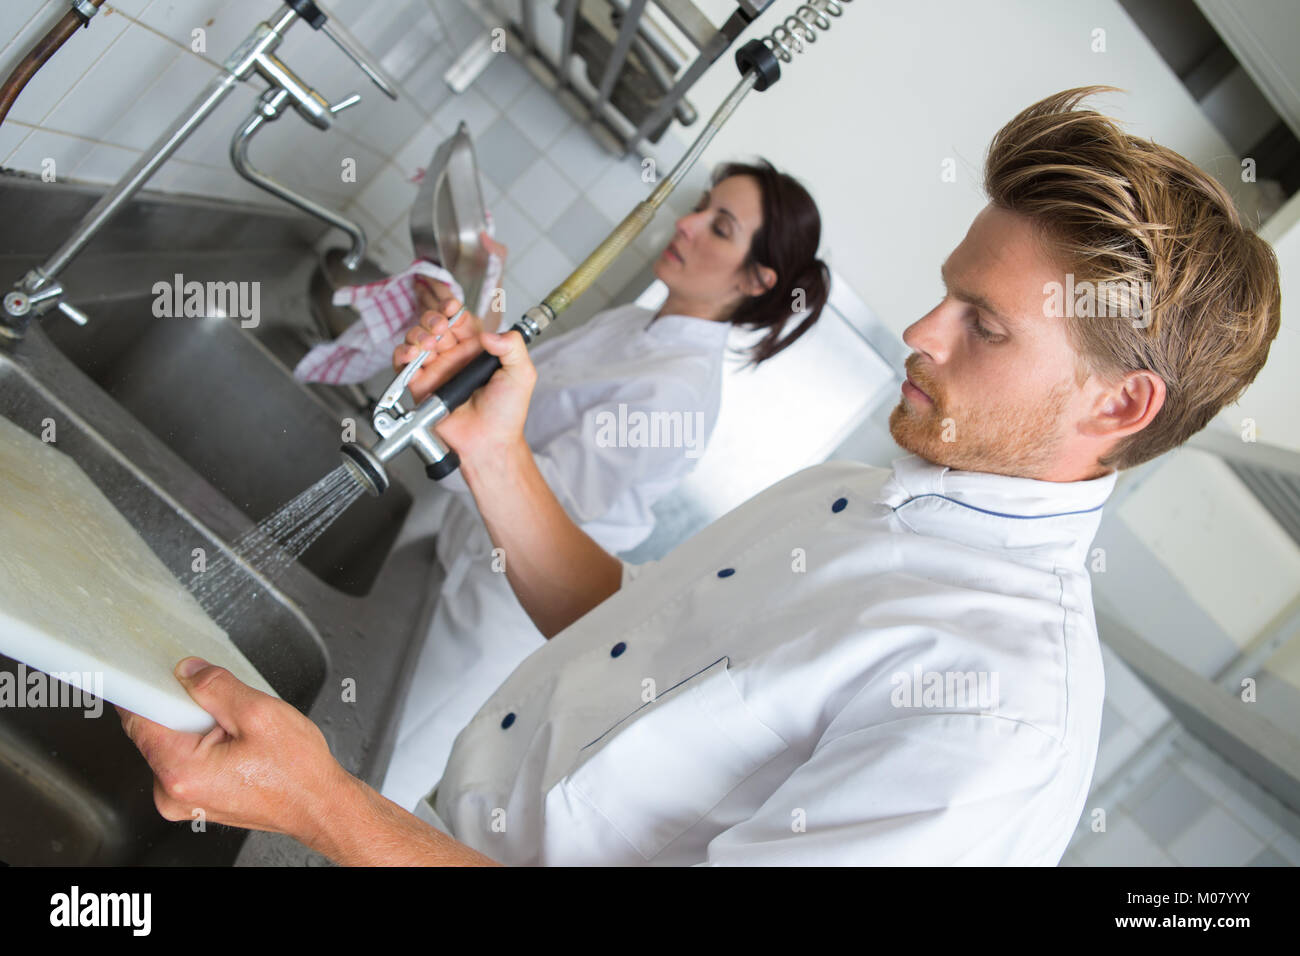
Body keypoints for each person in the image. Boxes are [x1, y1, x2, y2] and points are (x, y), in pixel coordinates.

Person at [119, 87, 1281, 866]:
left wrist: (322, 803)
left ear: (1116, 405)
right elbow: (630, 635)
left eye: (983, 324)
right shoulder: (862, 496)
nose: (920, 331)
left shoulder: (1002, 710)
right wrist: (498, 452)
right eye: (944, 289)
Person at [380, 159, 830, 811]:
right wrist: (479, 316)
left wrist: (454, 425)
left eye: (720, 228)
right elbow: (525, 409)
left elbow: (534, 499)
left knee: (374, 766)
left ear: (755, 279)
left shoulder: (675, 391)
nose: (688, 223)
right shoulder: (640, 326)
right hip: (456, 550)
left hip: (498, 608)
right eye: (702, 206)